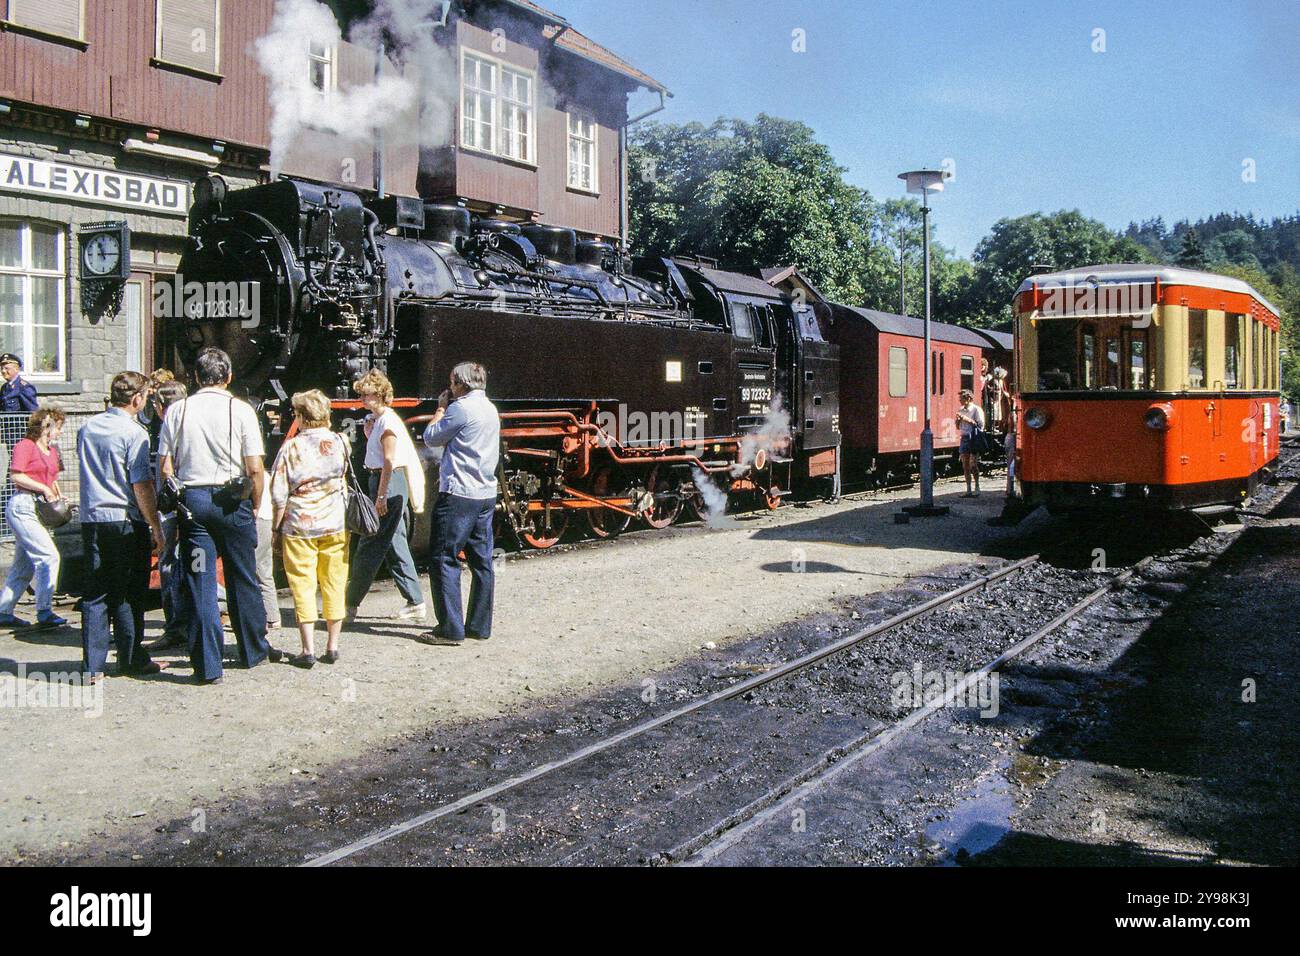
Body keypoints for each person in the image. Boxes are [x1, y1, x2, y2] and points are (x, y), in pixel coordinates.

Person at [158, 347, 281, 685]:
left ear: (195, 377)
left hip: (193, 506)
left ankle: (207, 665)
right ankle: (253, 650)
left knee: (200, 580)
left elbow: (165, 465)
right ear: (228, 377)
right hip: (233, 502)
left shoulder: (176, 411)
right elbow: (254, 466)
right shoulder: (240, 411)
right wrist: (256, 505)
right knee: (243, 575)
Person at [77, 372, 167, 681]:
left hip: (92, 519)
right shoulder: (136, 433)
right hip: (125, 521)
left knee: (95, 593)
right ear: (137, 399)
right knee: (130, 592)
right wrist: (155, 525)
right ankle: (132, 658)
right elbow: (140, 483)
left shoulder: (87, 428)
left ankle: (92, 667)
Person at [419, 362, 500, 646]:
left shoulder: (460, 408)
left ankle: (450, 628)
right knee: (482, 561)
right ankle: (479, 626)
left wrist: (440, 409)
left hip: (459, 494)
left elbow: (431, 438)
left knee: (444, 557)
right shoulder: (490, 408)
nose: (450, 388)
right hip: (485, 494)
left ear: (461, 385)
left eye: (452, 383)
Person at [270, 390, 350, 669]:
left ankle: (307, 649)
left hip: (300, 525)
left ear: (302, 417)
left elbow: (279, 495)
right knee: (334, 582)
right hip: (335, 523)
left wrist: (275, 528)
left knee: (302, 584)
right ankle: (333, 645)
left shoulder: (291, 448)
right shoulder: (341, 441)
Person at [344, 369, 427, 621]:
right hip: (385, 482)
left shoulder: (388, 423)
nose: (362, 400)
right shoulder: (380, 421)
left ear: (380, 395)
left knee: (371, 543)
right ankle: (415, 601)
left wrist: (380, 497)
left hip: (387, 484)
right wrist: (371, 436)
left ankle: (349, 604)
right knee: (395, 542)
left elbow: (389, 461)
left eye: (367, 395)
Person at [0, 407, 68, 629]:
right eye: (57, 427)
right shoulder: (25, 446)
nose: (59, 433)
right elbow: (16, 475)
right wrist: (43, 488)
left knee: (24, 565)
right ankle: (44, 610)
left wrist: (57, 496)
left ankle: (4, 611)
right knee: (49, 557)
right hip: (23, 505)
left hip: (38, 508)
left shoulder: (52, 451)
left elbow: (53, 479)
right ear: (46, 426)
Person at [145, 379, 189, 652]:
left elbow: (163, 469)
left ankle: (175, 626)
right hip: (198, 502)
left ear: (159, 406)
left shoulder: (163, 429)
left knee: (169, 562)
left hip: (172, 505)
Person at [955, 388, 986, 498]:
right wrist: (958, 420)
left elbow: (981, 426)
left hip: (974, 438)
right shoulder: (961, 410)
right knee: (965, 465)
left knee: (973, 464)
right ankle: (968, 489)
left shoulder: (976, 410)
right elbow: (957, 427)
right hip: (964, 438)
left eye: (961, 399)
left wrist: (966, 419)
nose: (960, 401)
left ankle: (977, 486)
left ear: (968, 399)